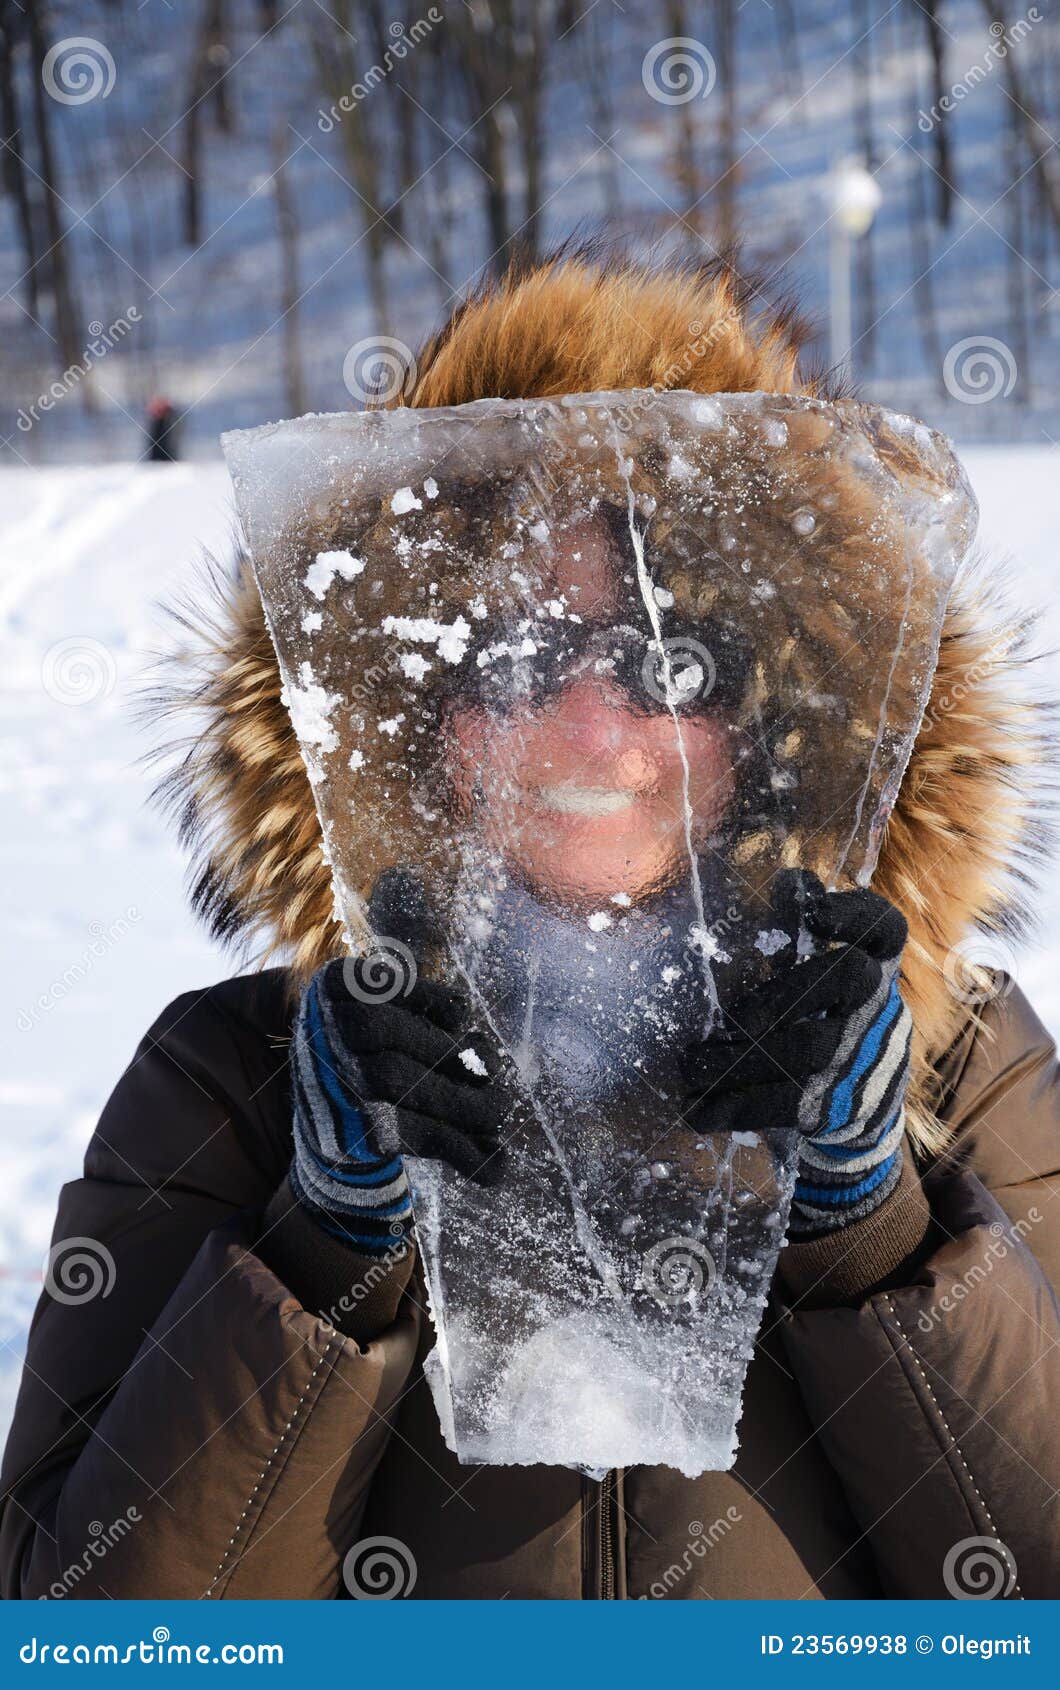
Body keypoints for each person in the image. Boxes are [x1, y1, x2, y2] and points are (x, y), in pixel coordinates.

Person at [2, 250, 1058, 1600]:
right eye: (513, 656)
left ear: (770, 716)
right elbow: (84, 1631)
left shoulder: (963, 1074)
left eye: (670, 662)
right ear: (418, 714)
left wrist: (873, 1228)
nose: (591, 726)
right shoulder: (232, 1085)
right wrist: (323, 1247)